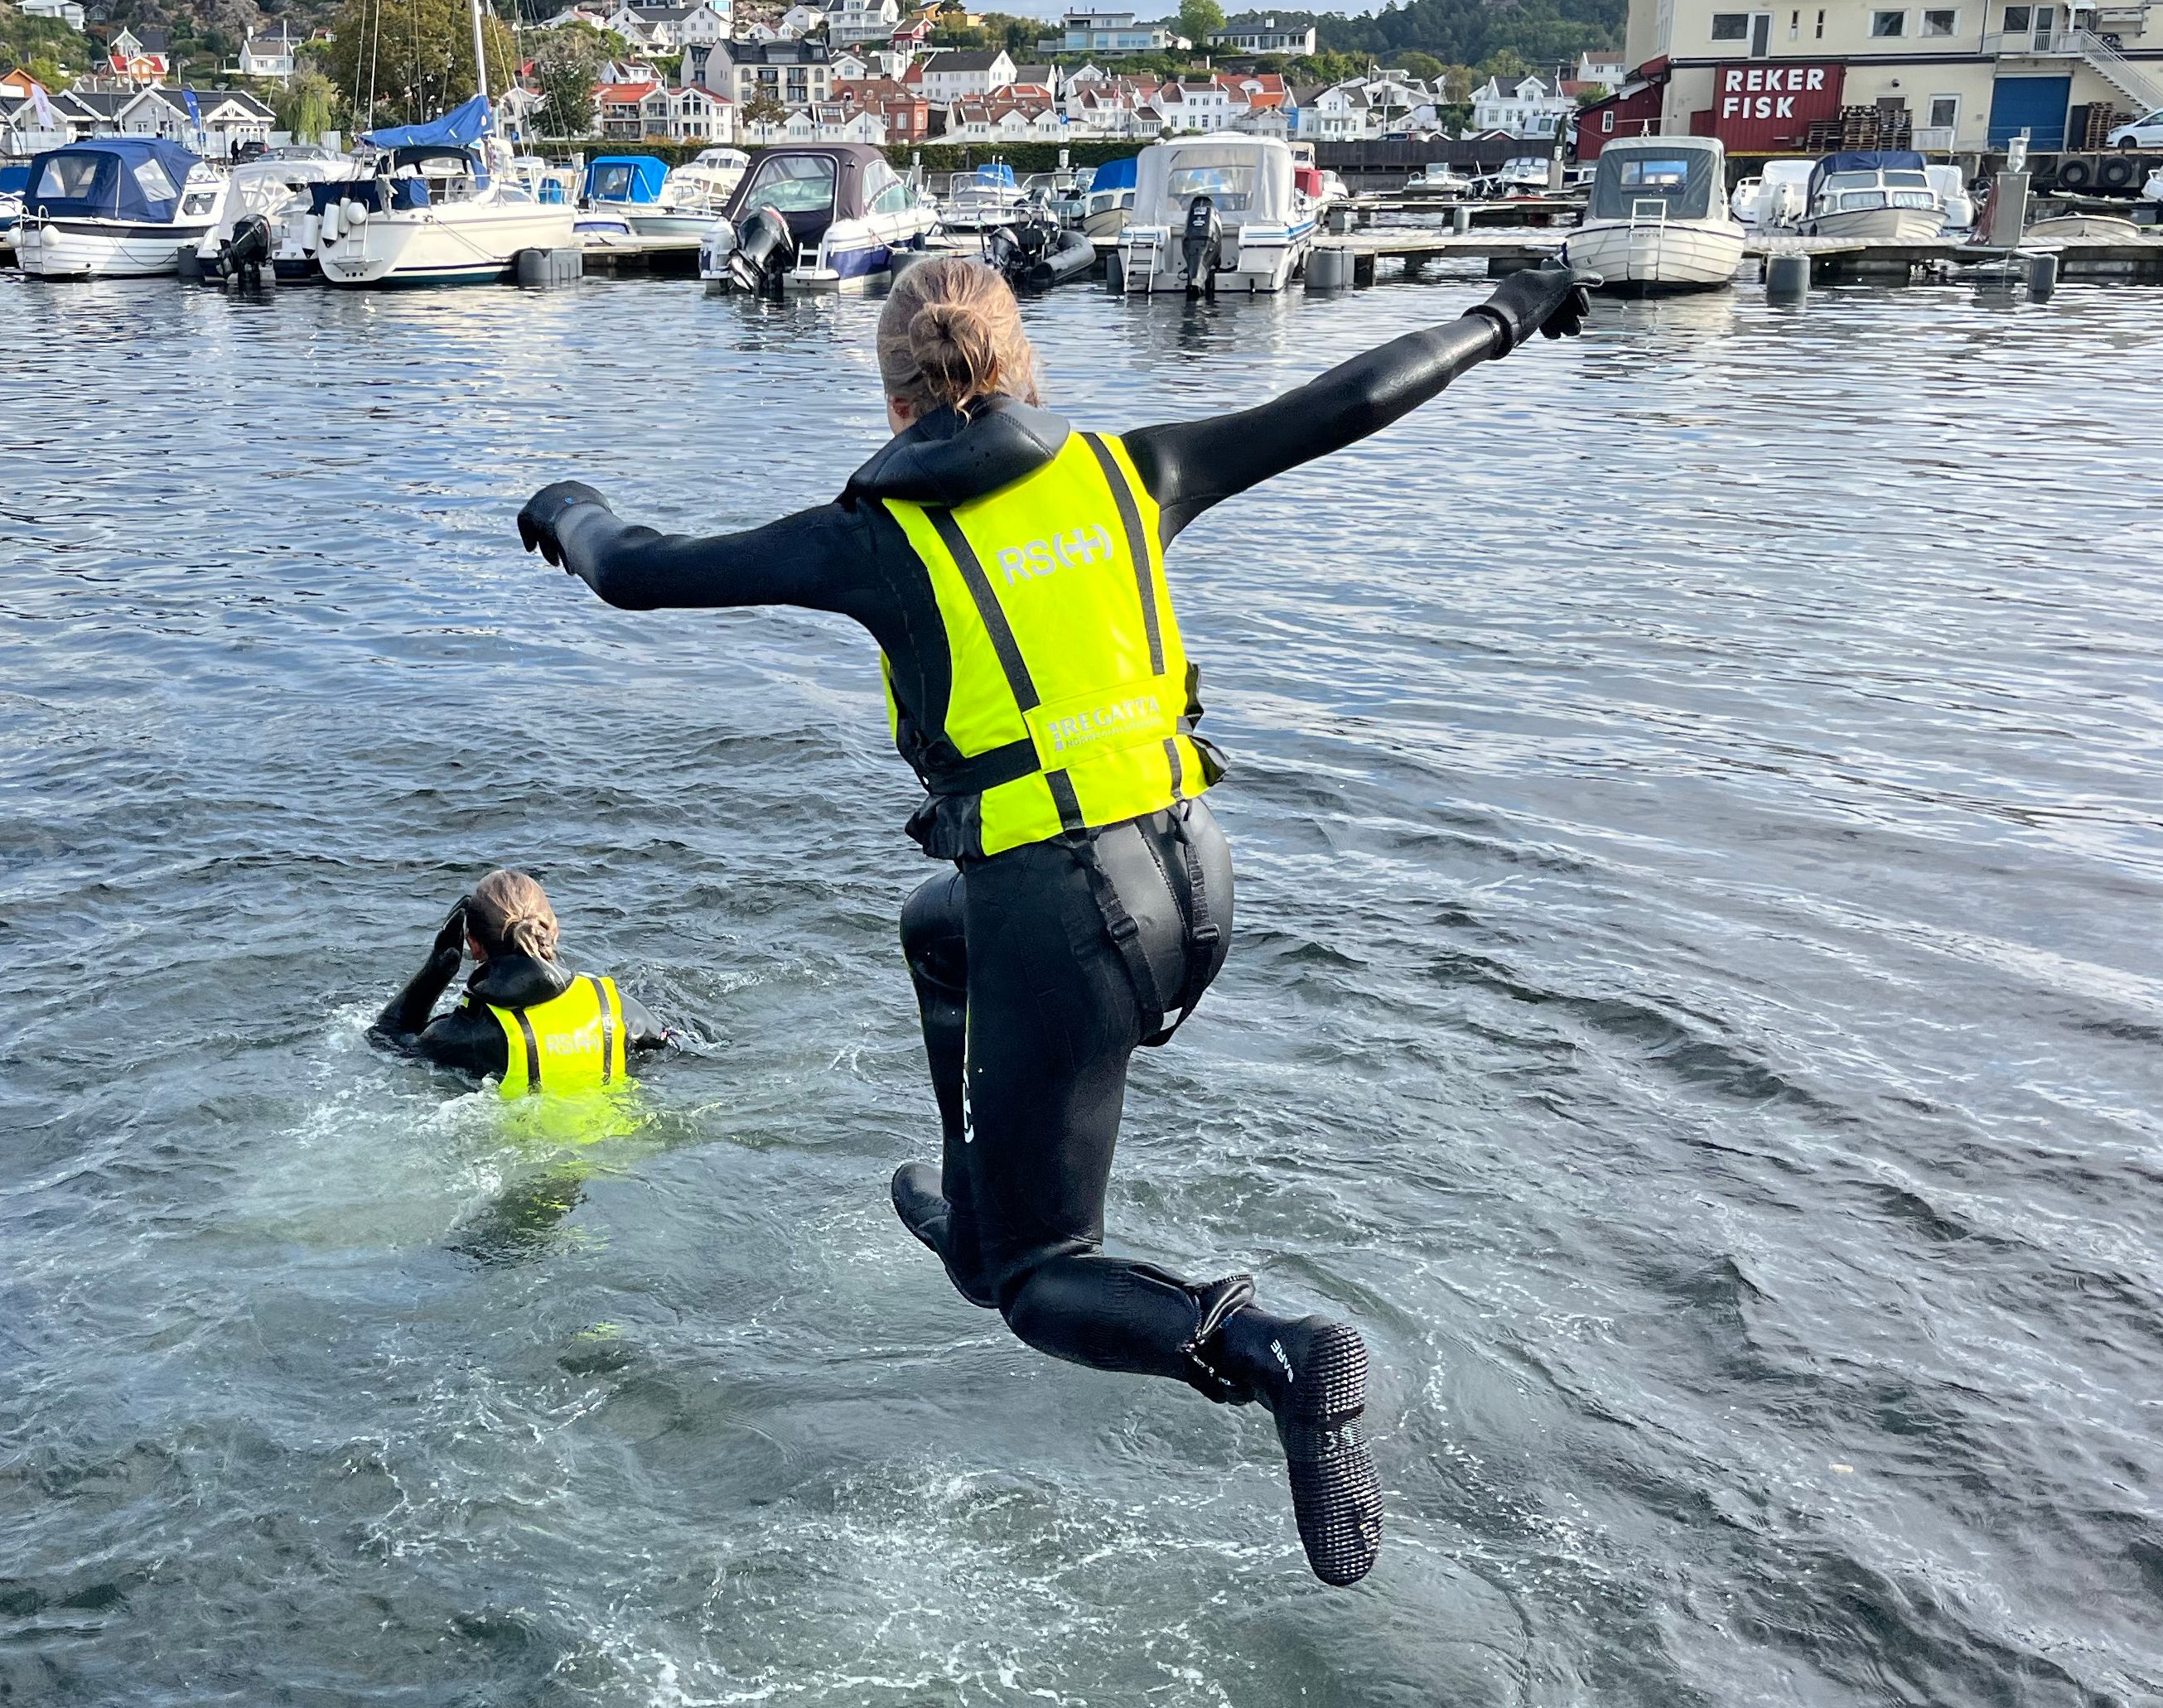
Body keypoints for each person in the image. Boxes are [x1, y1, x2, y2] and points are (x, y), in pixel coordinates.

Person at [514, 256, 1593, 1587]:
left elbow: (633, 571)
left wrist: (566, 504)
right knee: (934, 924)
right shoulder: (1130, 473)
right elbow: (1353, 393)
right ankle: (973, 1212)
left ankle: (1269, 1352)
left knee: (1037, 1287)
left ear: (892, 393)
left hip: (1065, 919)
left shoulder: (869, 537)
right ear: (1022, 368)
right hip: (1193, 880)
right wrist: (1506, 316)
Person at [370, 868, 670, 1098]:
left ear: (473, 946)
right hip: (612, 1151)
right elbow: (671, 1048)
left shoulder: (465, 1034)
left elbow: (384, 1038)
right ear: (553, 929)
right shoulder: (612, 1005)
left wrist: (437, 969)